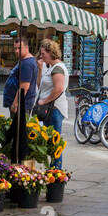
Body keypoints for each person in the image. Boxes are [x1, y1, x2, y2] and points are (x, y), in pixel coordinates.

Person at [35, 40, 68, 169]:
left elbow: (58, 89)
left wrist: (44, 101)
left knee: (54, 142)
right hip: (50, 110)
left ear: (51, 52)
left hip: (54, 109)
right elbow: (39, 85)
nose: (41, 56)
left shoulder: (58, 68)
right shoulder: (50, 68)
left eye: (43, 53)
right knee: (51, 142)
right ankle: (53, 169)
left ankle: (56, 171)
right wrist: (39, 69)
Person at [4, 38, 39, 118]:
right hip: (22, 105)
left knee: (18, 129)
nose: (16, 51)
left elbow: (24, 87)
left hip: (21, 106)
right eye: (15, 48)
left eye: (19, 48)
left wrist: (15, 104)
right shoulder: (24, 61)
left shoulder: (27, 64)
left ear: (27, 47)